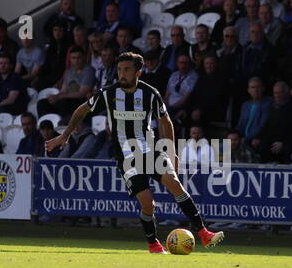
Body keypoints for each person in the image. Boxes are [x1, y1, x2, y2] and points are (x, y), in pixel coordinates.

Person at [44, 50, 226, 253]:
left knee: (175, 184)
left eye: (127, 70)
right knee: (148, 205)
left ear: (139, 72)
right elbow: (82, 109)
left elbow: (166, 121)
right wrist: (65, 135)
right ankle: (153, 243)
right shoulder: (108, 93)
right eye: (120, 69)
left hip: (149, 149)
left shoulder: (150, 94)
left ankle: (203, 233)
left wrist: (171, 150)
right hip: (126, 156)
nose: (122, 74)